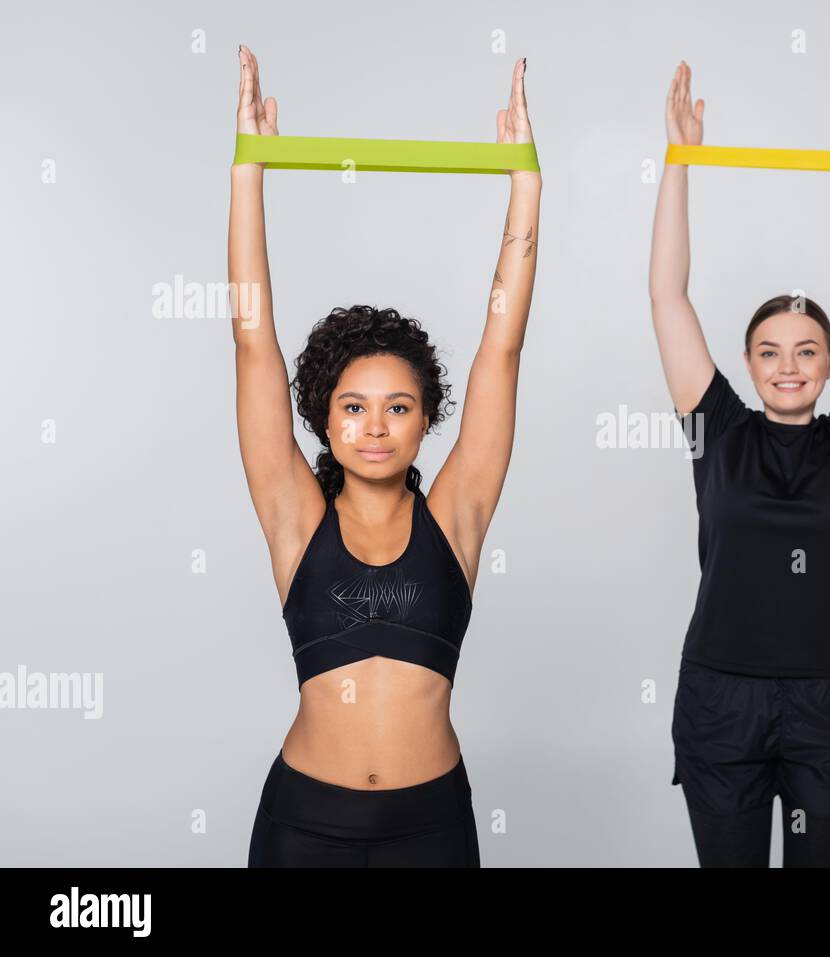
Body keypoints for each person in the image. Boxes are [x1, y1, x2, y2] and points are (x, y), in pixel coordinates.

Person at [229, 45, 541, 866]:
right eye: (354, 407)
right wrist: (249, 167)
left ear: (426, 418)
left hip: (430, 828)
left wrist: (526, 186)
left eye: (397, 407)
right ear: (324, 422)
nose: (375, 426)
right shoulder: (295, 518)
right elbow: (252, 342)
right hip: (303, 826)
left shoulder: (458, 516)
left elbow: (500, 350)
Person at [649, 61, 830, 867]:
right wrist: (680, 161)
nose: (789, 364)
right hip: (719, 702)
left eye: (806, 350)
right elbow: (668, 297)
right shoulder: (718, 431)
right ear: (747, 361)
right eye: (770, 351)